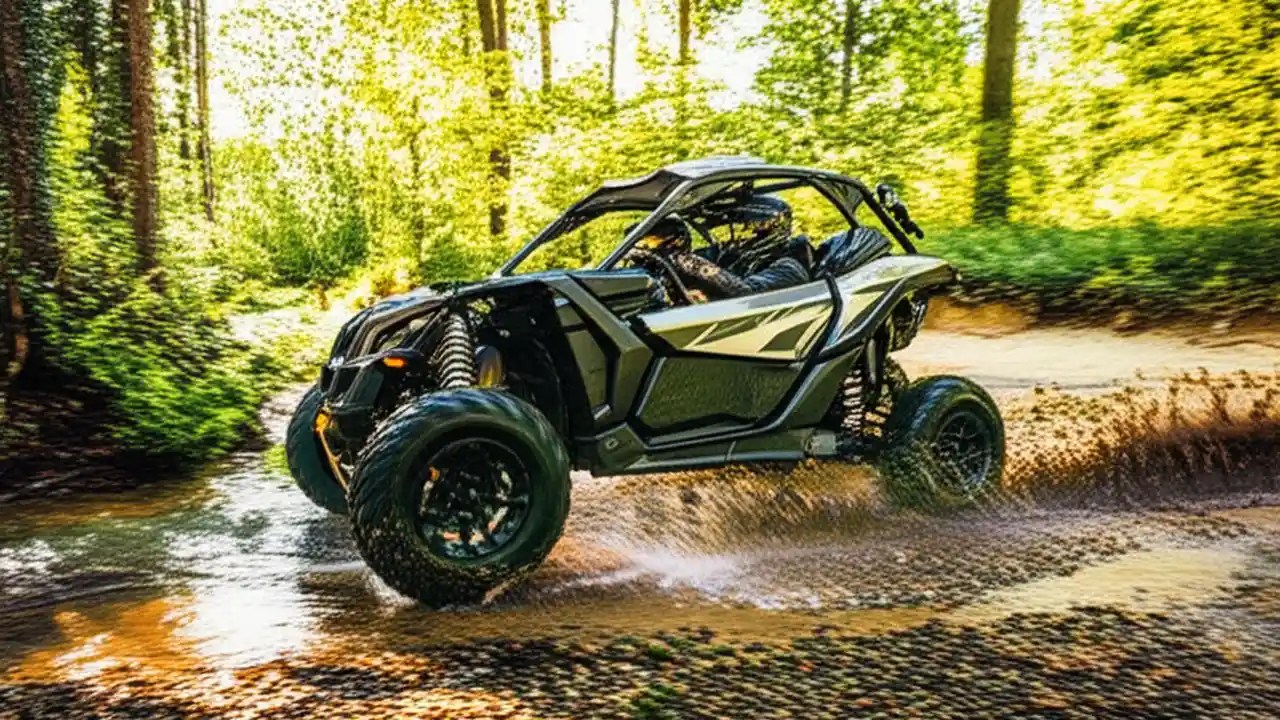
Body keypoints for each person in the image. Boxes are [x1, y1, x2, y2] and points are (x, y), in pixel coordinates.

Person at [627, 195, 811, 303]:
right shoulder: (728, 256)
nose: (734, 239)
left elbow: (746, 294)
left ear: (767, 232)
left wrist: (683, 260)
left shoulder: (790, 268)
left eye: (742, 232)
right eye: (731, 231)